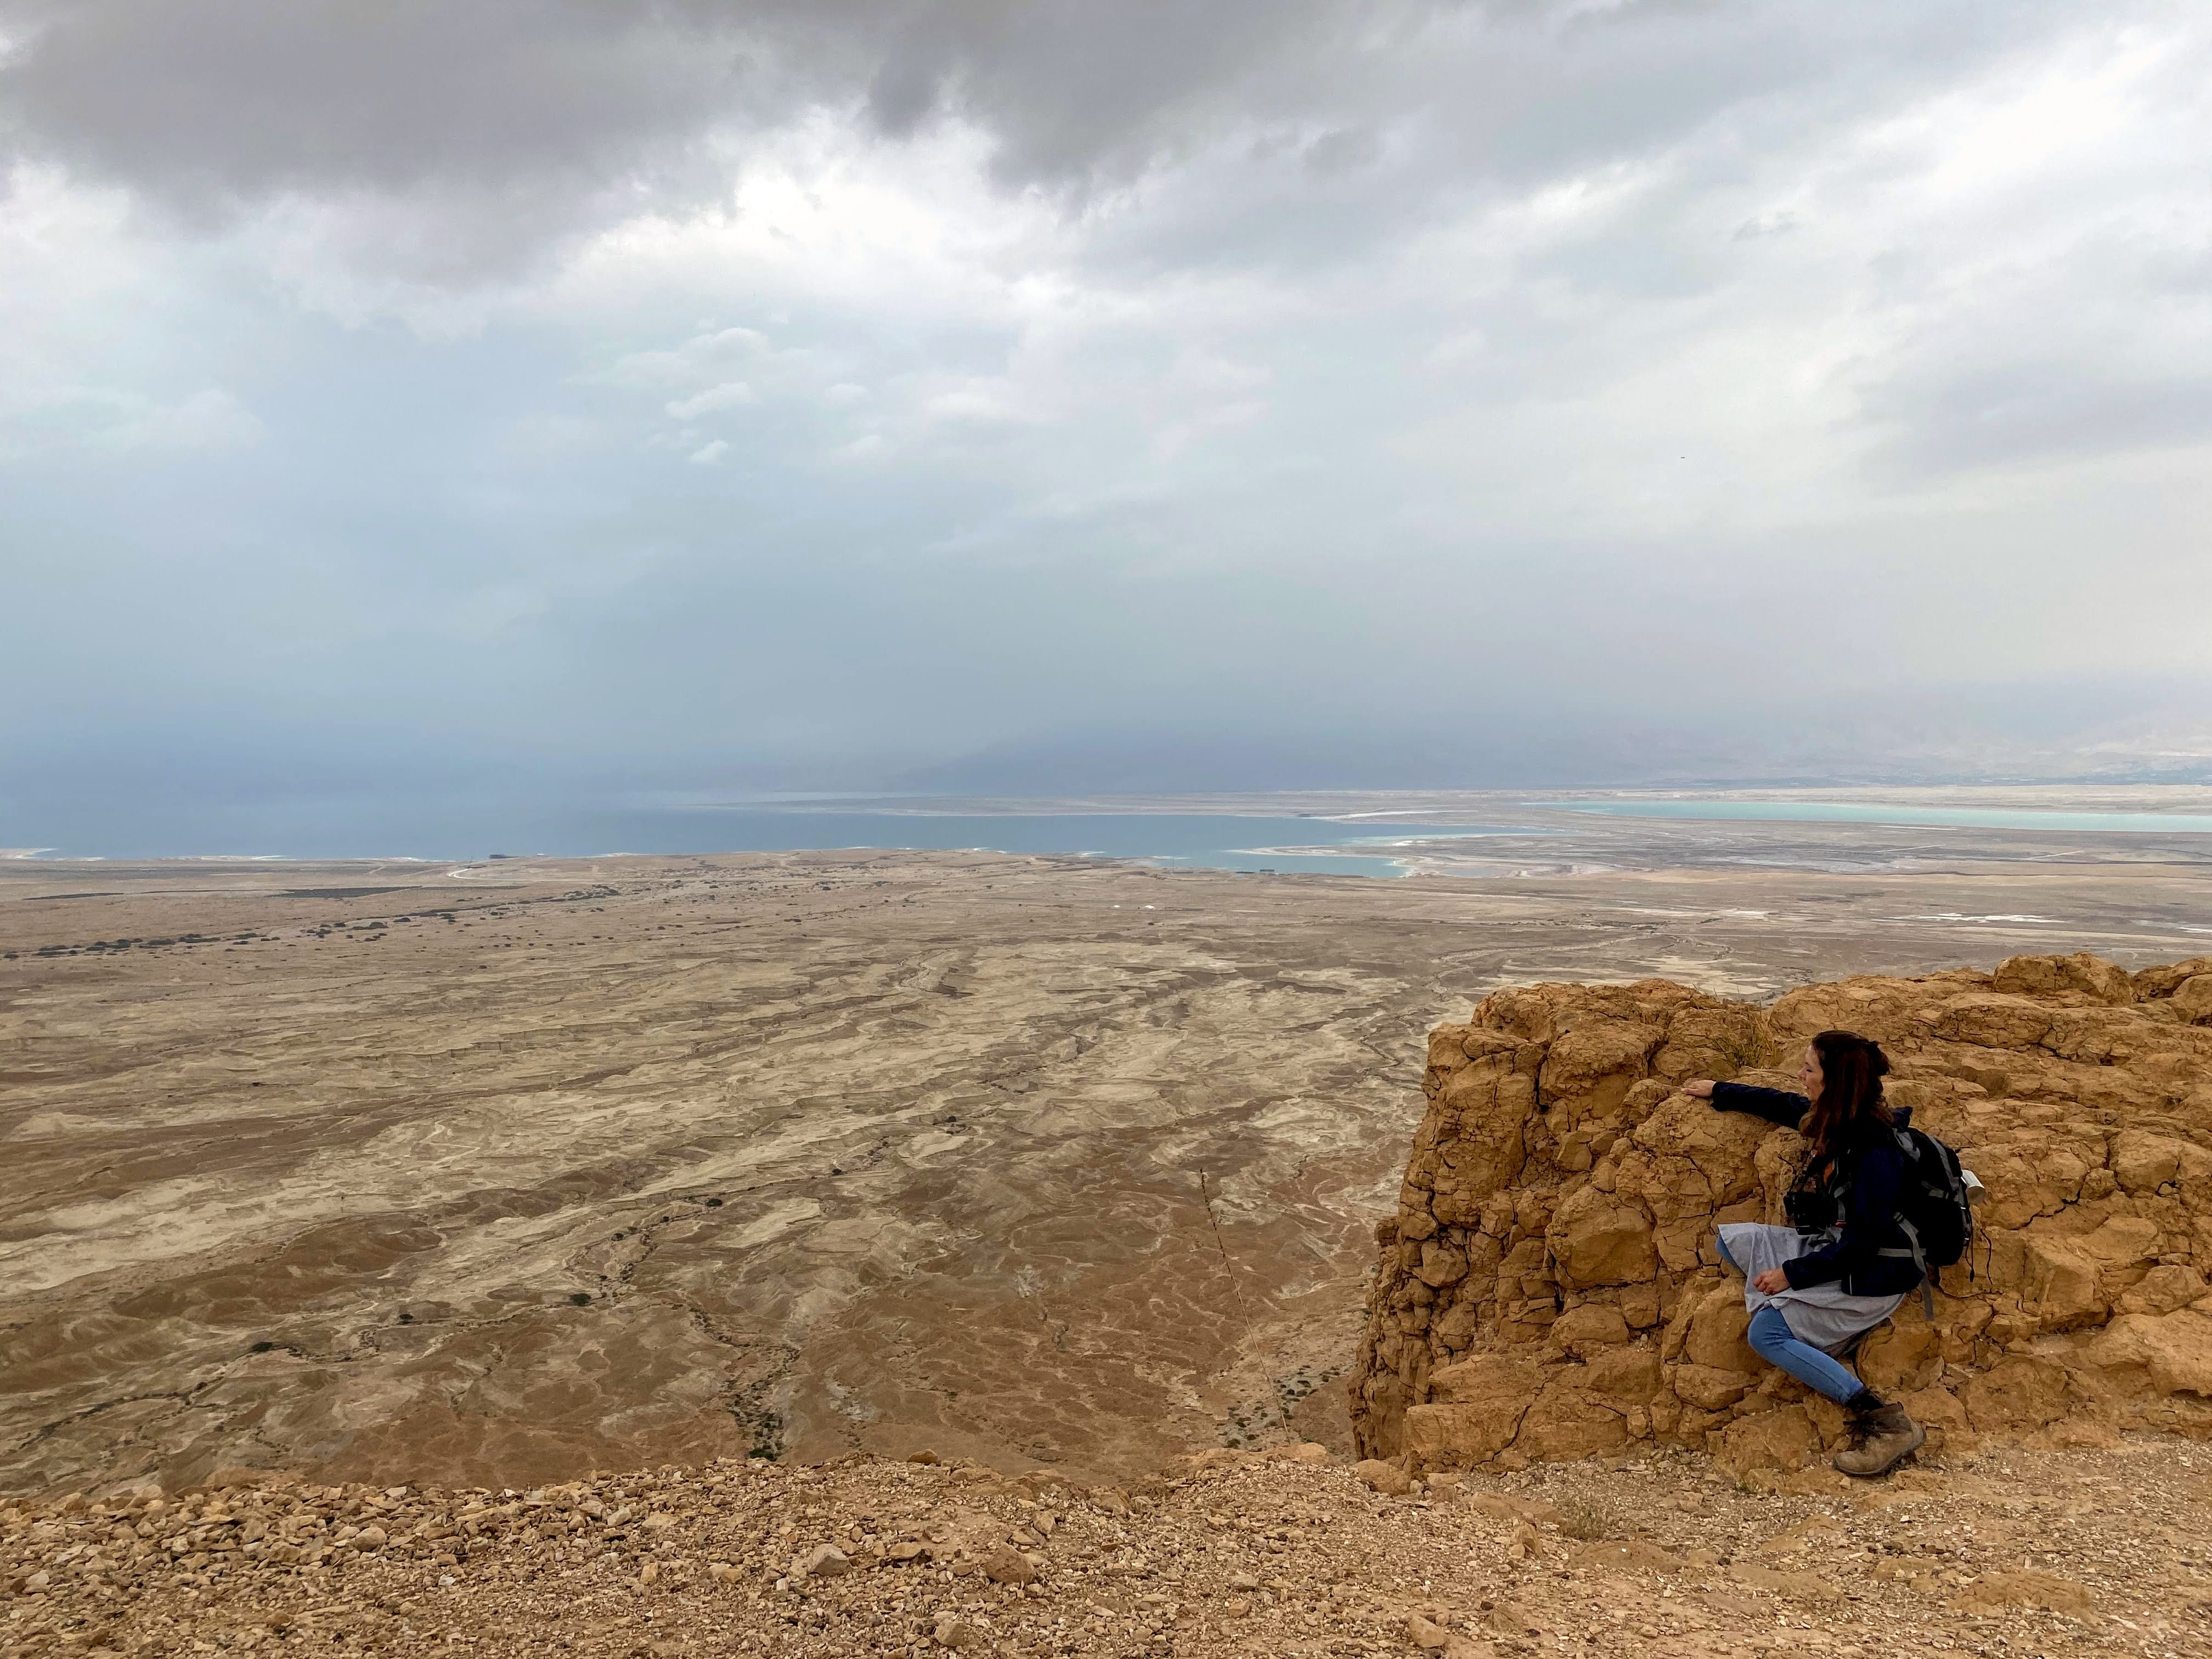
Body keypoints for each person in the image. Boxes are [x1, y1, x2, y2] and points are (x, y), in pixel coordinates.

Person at [1683, 1029, 1927, 1477]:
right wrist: (1721, 1091)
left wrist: (1790, 1276)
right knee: (1733, 1239)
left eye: (1809, 1069)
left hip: (1874, 1274)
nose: (1800, 1076)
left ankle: (1883, 1420)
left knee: (1766, 1335)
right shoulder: (1840, 1121)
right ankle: (1813, 1324)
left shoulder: (1876, 1152)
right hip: (1837, 1251)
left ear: (1834, 1081)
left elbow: (1863, 1246)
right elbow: (1785, 1106)